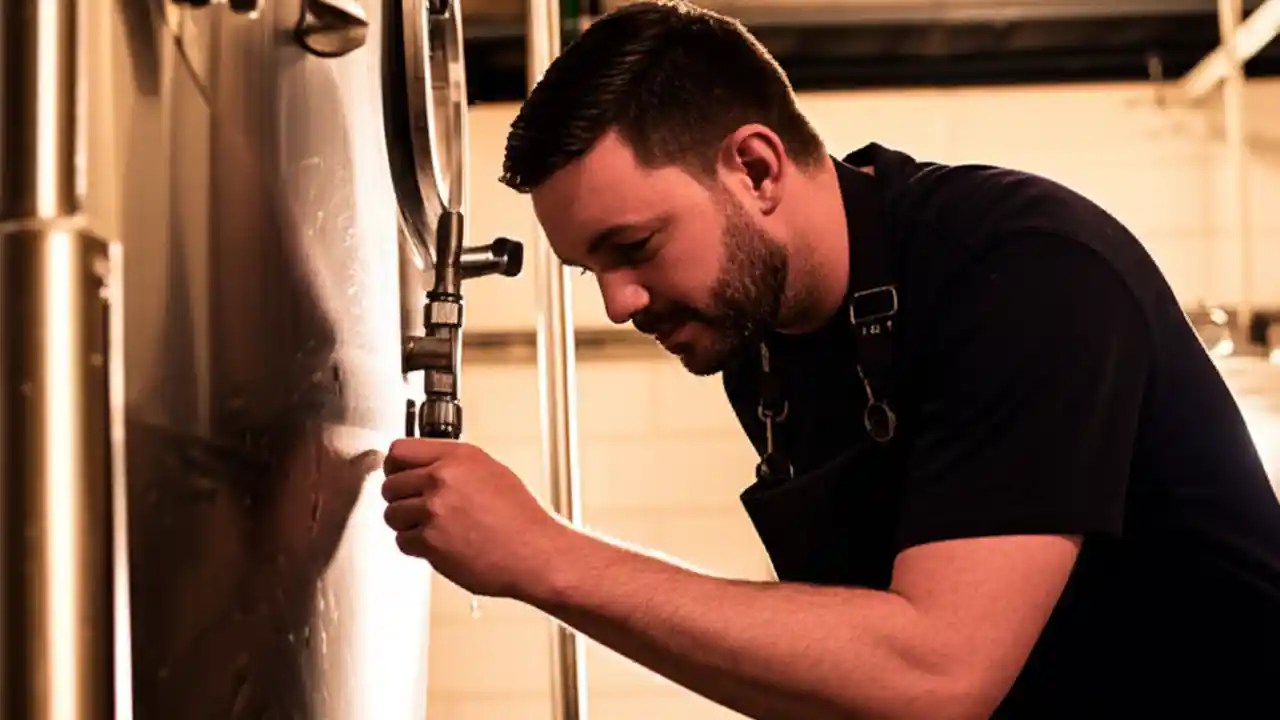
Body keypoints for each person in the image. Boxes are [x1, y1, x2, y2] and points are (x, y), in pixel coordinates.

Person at [379, 1, 1280, 717]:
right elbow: (839, 677)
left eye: (636, 246)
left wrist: (545, 556)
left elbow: (933, 676)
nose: (618, 303)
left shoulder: (1023, 267)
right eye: (592, 270)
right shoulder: (761, 350)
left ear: (758, 170)